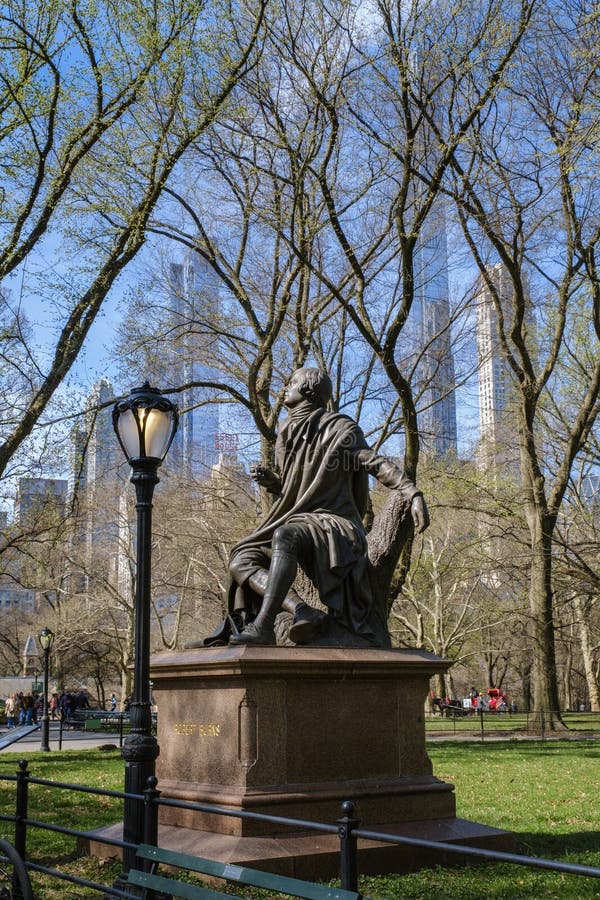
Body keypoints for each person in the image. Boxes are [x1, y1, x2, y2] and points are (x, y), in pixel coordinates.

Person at [224, 367, 429, 647]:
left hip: (333, 520)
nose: (285, 387)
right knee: (240, 558)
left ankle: (264, 625)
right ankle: (301, 610)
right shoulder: (286, 430)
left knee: (285, 535)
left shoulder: (340, 429)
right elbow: (294, 488)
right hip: (296, 517)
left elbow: (374, 462)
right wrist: (273, 482)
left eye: (292, 382)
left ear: (308, 390)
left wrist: (411, 491)